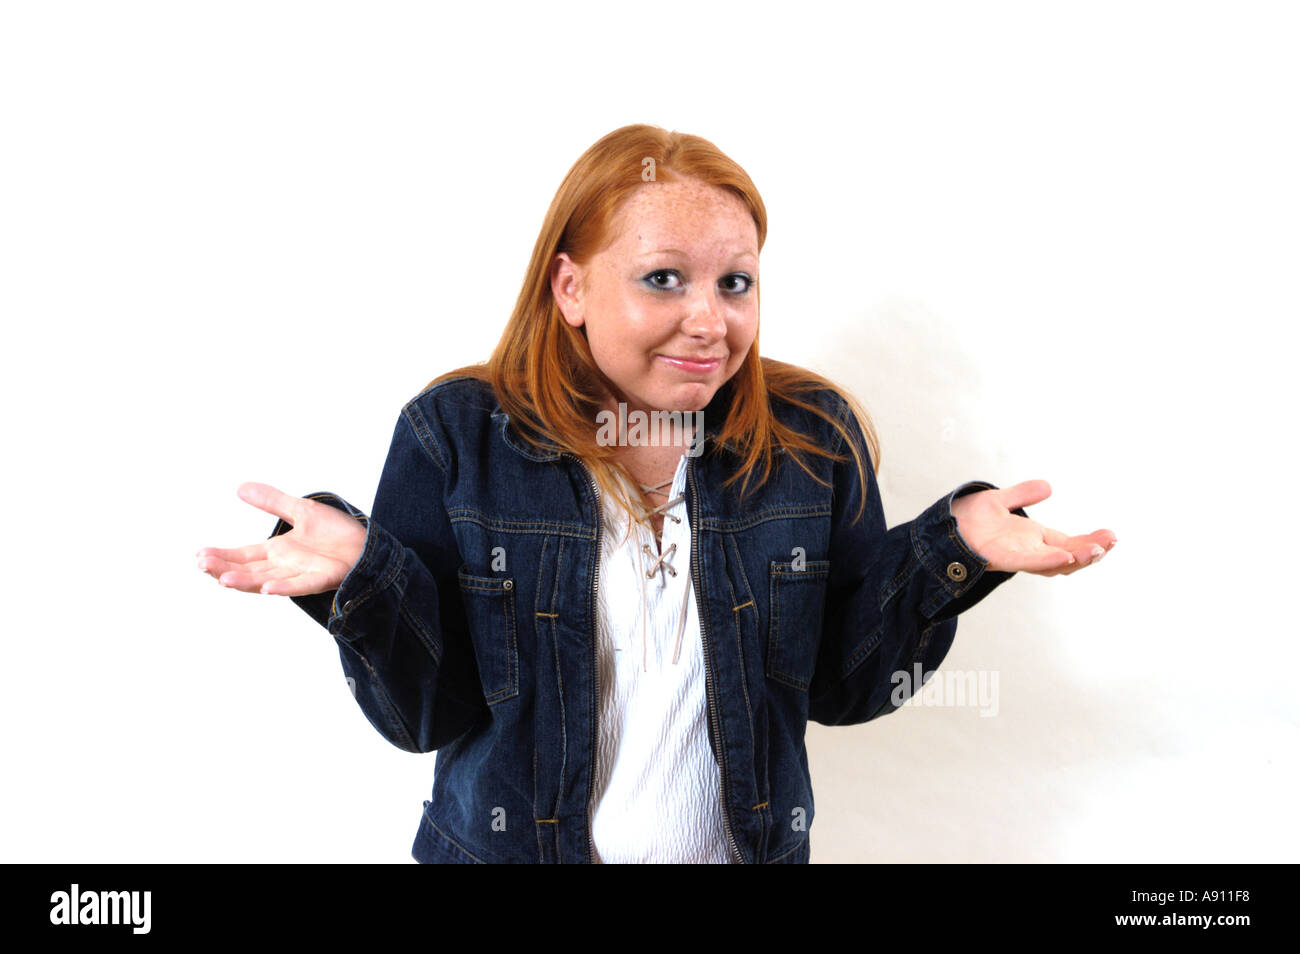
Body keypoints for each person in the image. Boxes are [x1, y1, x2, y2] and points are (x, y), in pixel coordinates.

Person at [196, 123, 1116, 863]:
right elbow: (424, 717)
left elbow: (844, 686)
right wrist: (366, 578)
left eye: (736, 282)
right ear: (571, 287)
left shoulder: (809, 437)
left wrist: (943, 553)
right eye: (663, 279)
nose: (709, 321)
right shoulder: (458, 436)